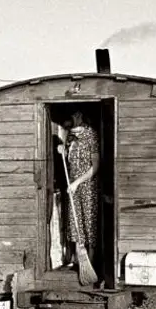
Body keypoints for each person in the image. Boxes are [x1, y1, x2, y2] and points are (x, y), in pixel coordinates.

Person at [57, 110, 100, 274]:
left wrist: (77, 182)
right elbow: (70, 156)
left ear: (82, 124)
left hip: (87, 186)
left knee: (88, 221)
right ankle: (78, 259)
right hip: (72, 185)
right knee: (75, 222)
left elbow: (95, 166)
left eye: (75, 130)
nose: (72, 133)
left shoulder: (91, 136)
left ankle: (92, 259)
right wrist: (63, 150)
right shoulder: (71, 137)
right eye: (71, 131)